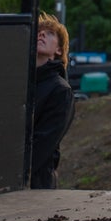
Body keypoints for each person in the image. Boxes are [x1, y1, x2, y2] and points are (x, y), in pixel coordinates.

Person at [28, 12, 75, 189]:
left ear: (59, 50)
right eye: (38, 32)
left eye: (49, 33)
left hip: (35, 186)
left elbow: (43, 144)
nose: (41, 34)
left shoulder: (61, 91)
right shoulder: (17, 82)